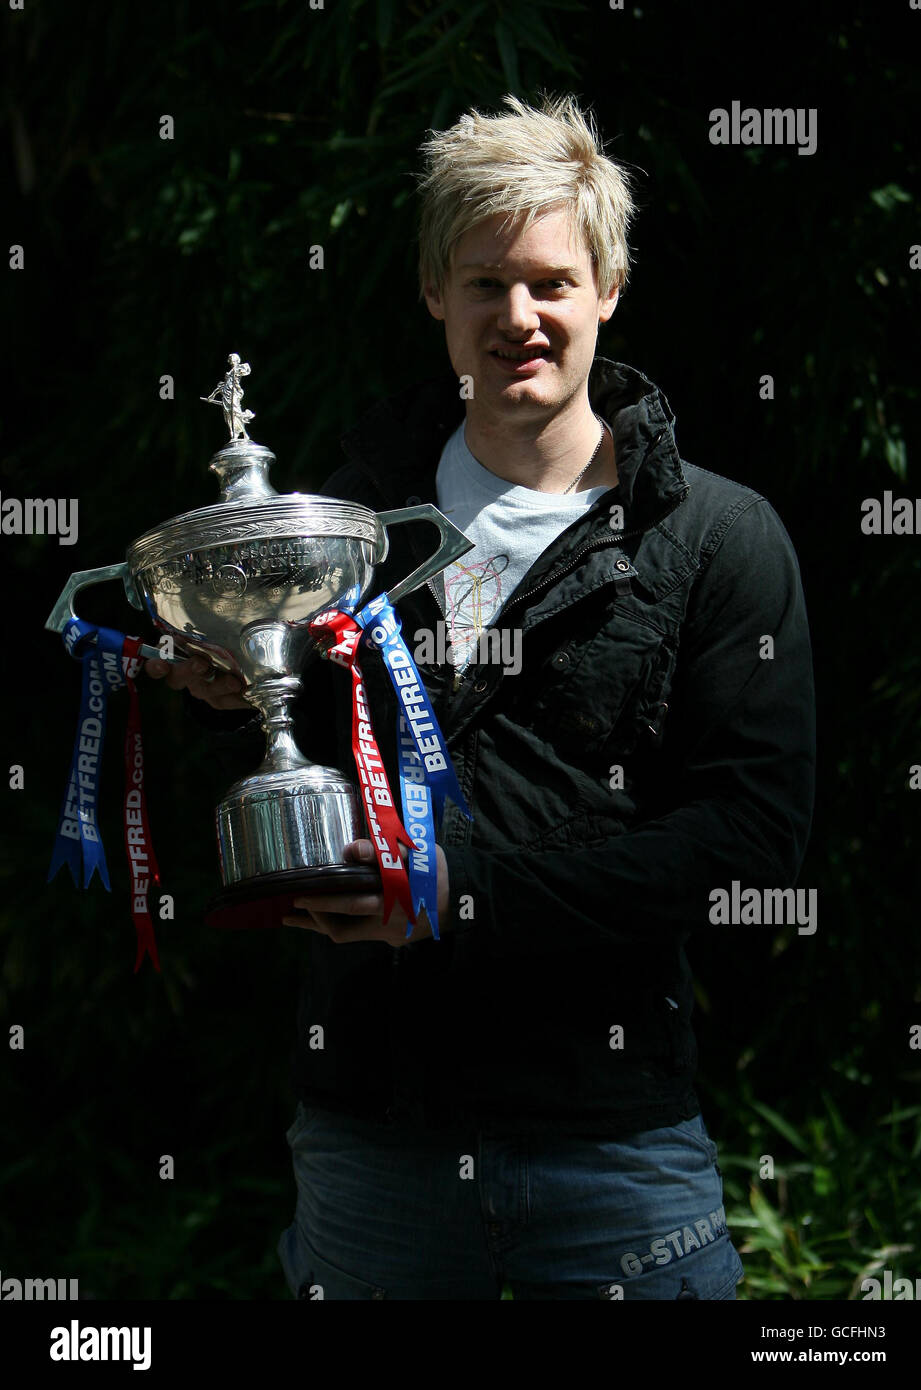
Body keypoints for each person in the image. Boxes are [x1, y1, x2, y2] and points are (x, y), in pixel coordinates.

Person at [147, 94, 815, 1300]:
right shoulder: (336, 532)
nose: (520, 317)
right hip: (372, 1142)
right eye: (483, 283)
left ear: (609, 288)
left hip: (615, 1143)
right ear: (432, 297)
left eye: (553, 282)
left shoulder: (715, 537)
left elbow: (750, 846)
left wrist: (465, 896)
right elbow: (266, 825)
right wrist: (218, 700)